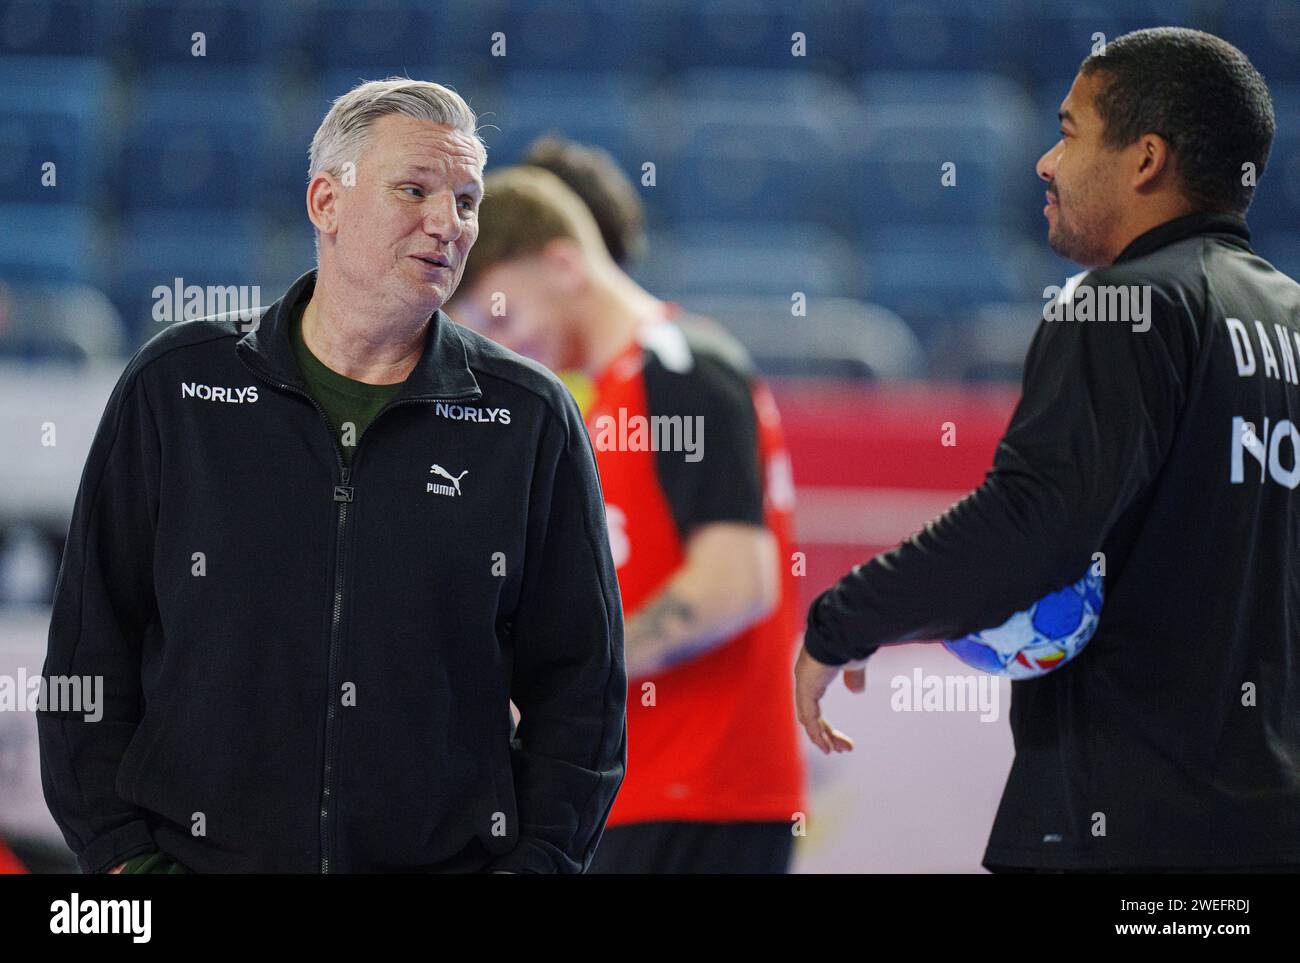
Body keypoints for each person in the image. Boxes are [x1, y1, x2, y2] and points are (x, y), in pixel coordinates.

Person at [36, 78, 626, 874]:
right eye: (413, 189)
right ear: (326, 202)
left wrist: (538, 862)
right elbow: (86, 653)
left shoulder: (528, 417)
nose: (446, 223)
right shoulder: (177, 386)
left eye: (465, 199)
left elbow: (582, 692)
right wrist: (125, 862)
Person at [795, 27, 1300, 872]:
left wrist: (845, 619)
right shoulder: (1287, 317)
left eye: (1068, 132)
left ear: (1145, 159)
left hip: (1132, 827)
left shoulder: (1119, 306)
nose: (1043, 161)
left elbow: (1031, 524)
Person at [452, 165, 806, 873]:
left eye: (500, 318)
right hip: (642, 793)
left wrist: (562, 682)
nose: (504, 347)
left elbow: (736, 583)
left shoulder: (676, 365)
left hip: (700, 797)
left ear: (561, 263)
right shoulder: (603, 396)